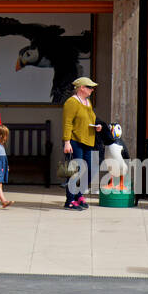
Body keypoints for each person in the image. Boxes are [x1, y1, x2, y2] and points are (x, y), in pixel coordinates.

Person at [61, 77, 101, 209]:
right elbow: (67, 123)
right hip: (75, 141)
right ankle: (70, 200)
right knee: (76, 171)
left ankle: (78, 195)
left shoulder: (87, 102)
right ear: (81, 88)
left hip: (88, 141)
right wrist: (67, 142)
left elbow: (90, 119)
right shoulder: (72, 102)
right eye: (89, 87)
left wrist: (97, 126)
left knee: (90, 170)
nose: (92, 89)